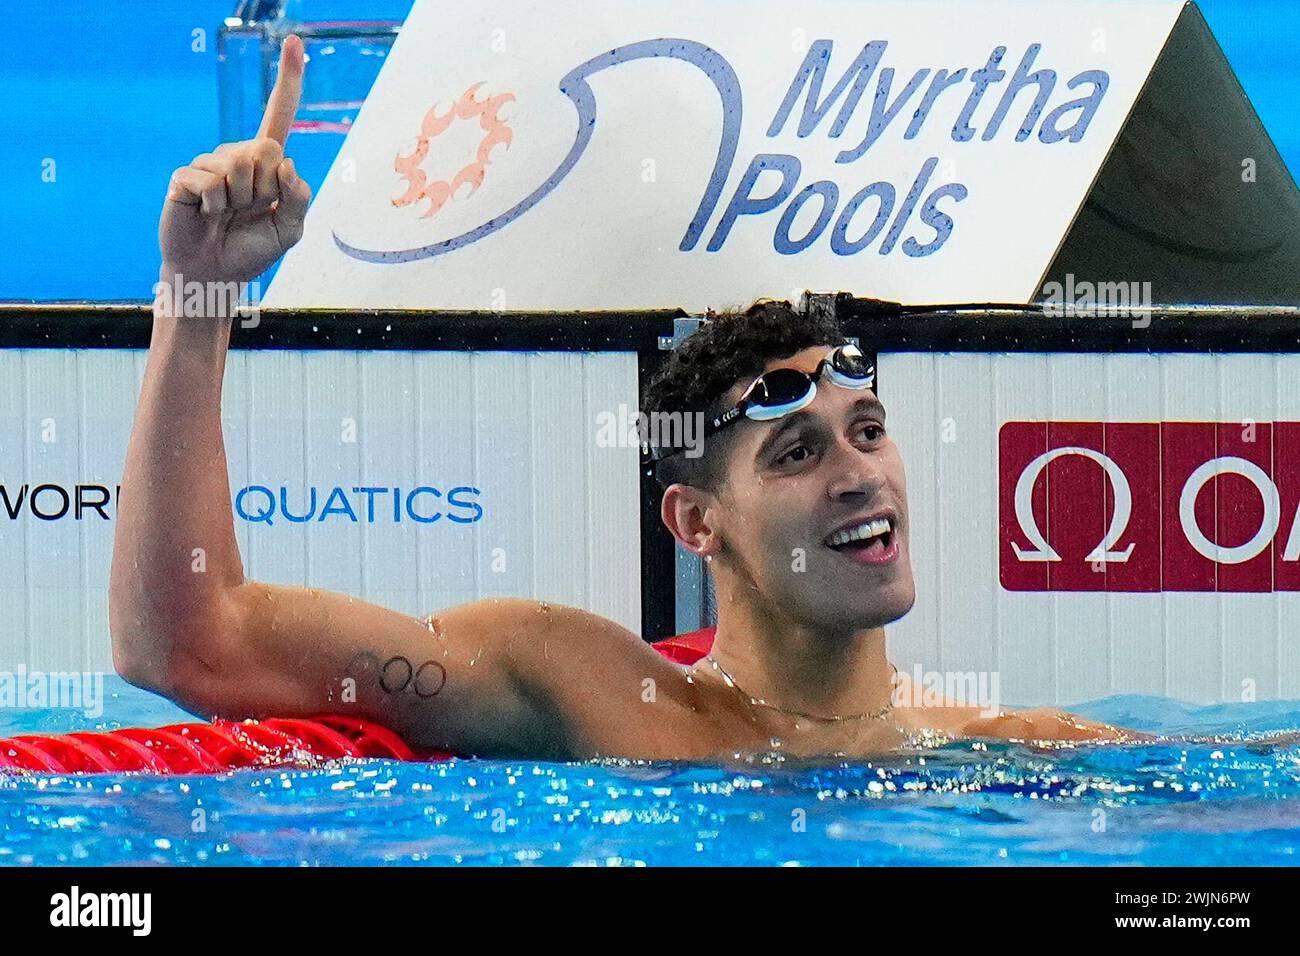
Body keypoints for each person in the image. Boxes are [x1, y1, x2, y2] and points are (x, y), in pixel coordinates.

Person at [109, 35, 1148, 761]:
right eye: (795, 452)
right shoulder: (588, 686)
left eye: (865, 432)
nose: (856, 475)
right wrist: (197, 295)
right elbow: (188, 640)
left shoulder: (1010, 752)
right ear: (695, 520)